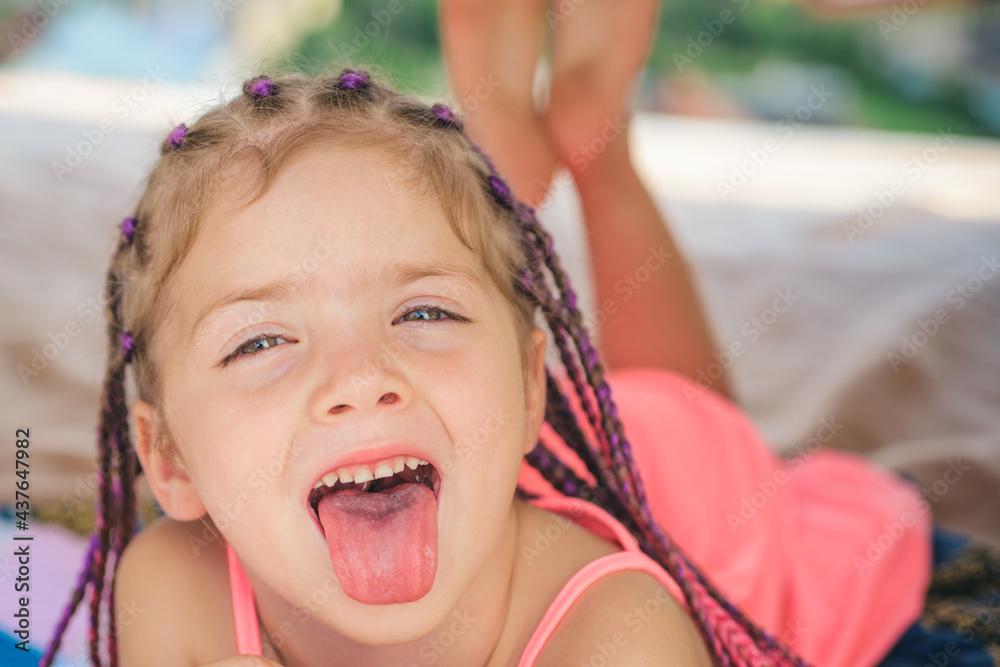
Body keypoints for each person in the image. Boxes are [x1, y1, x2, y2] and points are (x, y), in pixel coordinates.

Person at [41, 3, 982, 666]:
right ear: (167, 458)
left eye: (419, 313)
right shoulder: (170, 581)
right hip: (586, 455)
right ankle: (561, 154)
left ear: (538, 388)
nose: (360, 378)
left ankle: (589, 153)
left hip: (822, 570)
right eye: (260, 341)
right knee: (656, 415)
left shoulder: (621, 632)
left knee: (688, 427)